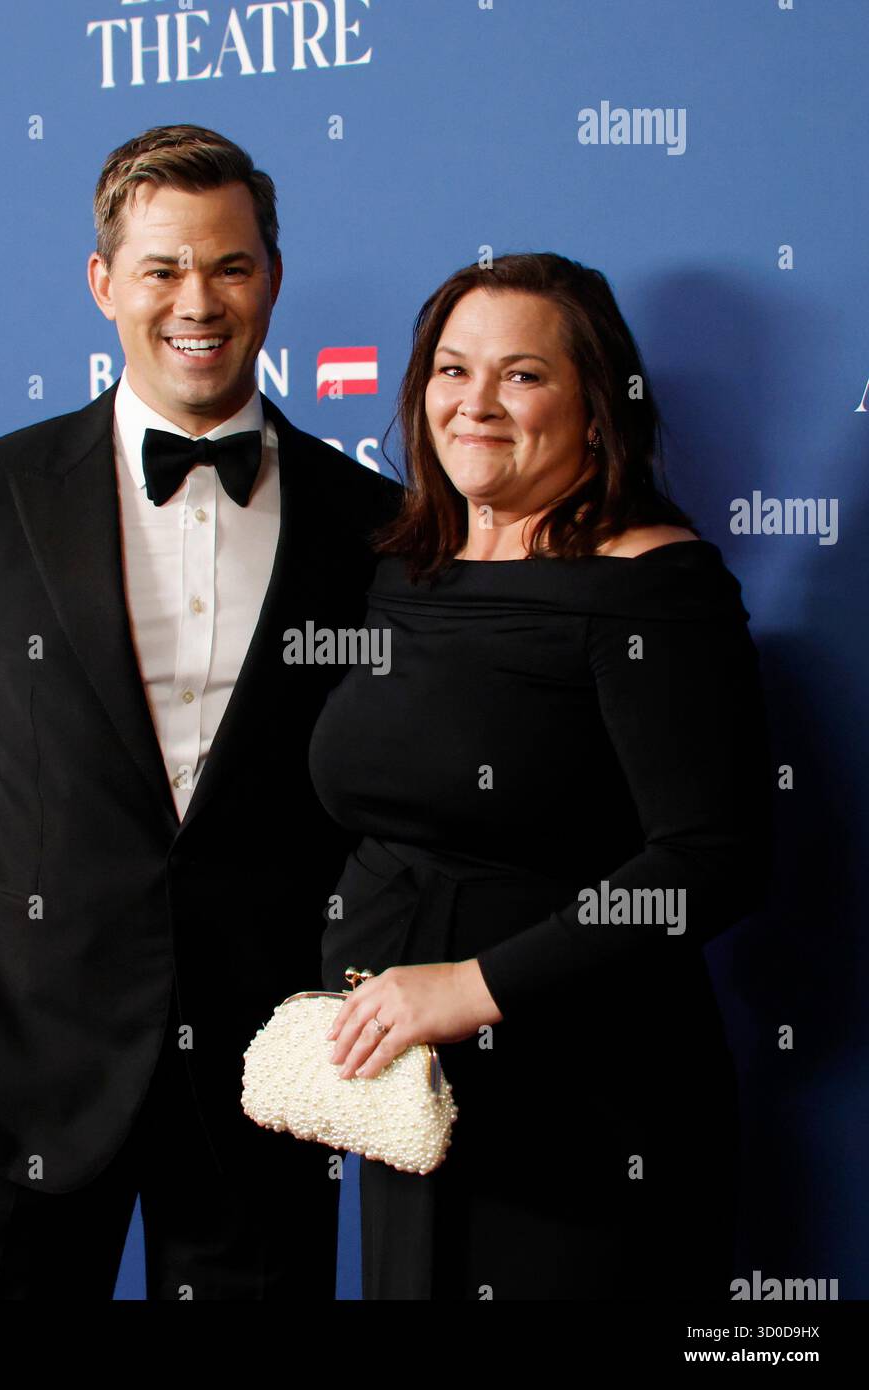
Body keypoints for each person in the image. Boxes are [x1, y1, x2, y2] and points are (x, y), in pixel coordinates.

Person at [0, 124, 401, 1300]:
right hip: (12, 1071)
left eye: (230, 266)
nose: (196, 300)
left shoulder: (374, 522)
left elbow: (389, 798)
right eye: (160, 268)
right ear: (103, 283)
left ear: (272, 279)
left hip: (263, 1085)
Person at [308, 252, 772, 1300]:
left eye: (520, 375)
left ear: (596, 408)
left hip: (586, 1103)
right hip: (405, 1101)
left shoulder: (654, 586)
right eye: (450, 370)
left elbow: (712, 860)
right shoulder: (404, 569)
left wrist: (470, 989)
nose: (474, 403)